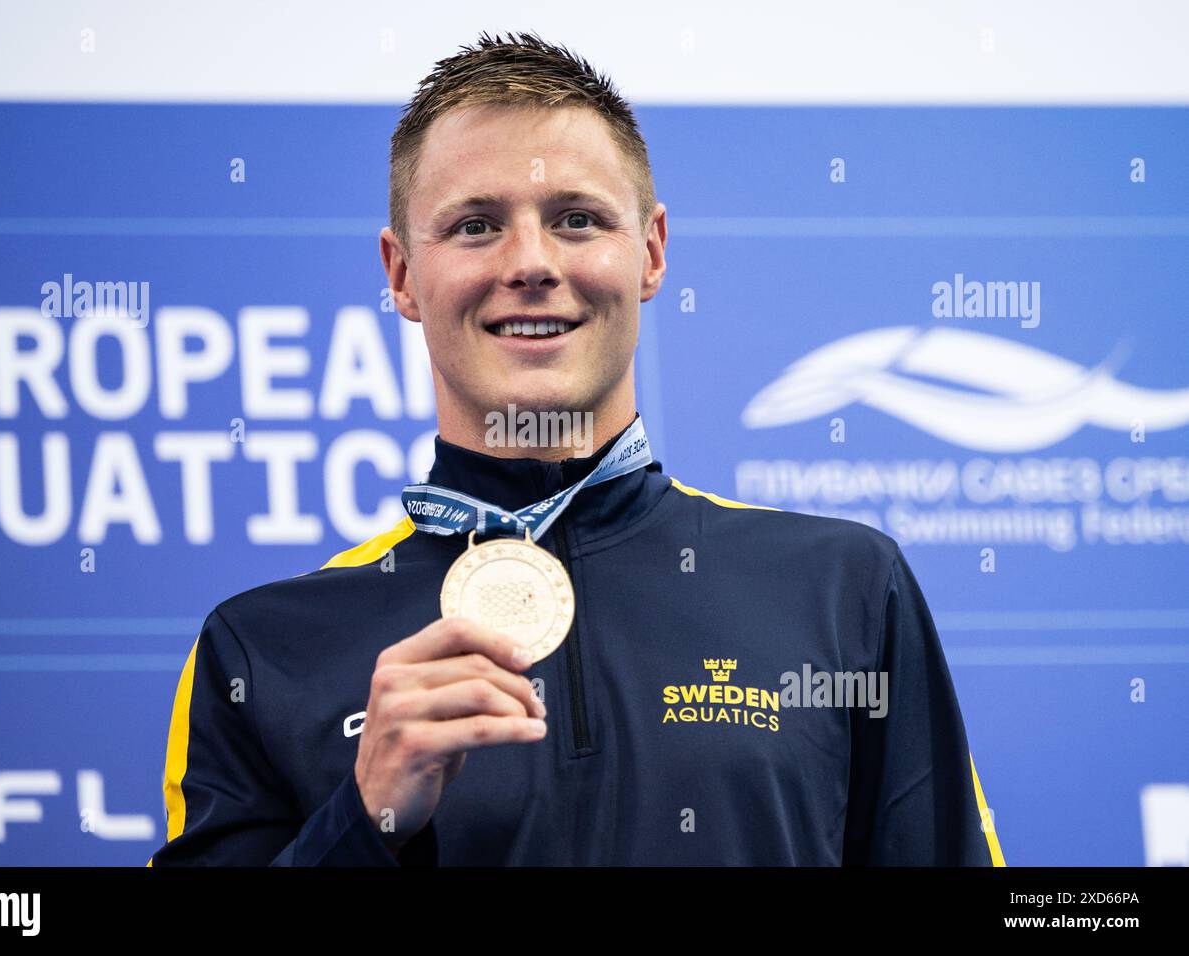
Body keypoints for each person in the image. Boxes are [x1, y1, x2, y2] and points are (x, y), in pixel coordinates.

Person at [148, 31, 1005, 866]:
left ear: (652, 252)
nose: (530, 263)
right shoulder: (260, 650)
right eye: (477, 225)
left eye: (577, 220)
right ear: (402, 274)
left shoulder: (842, 586)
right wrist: (360, 821)